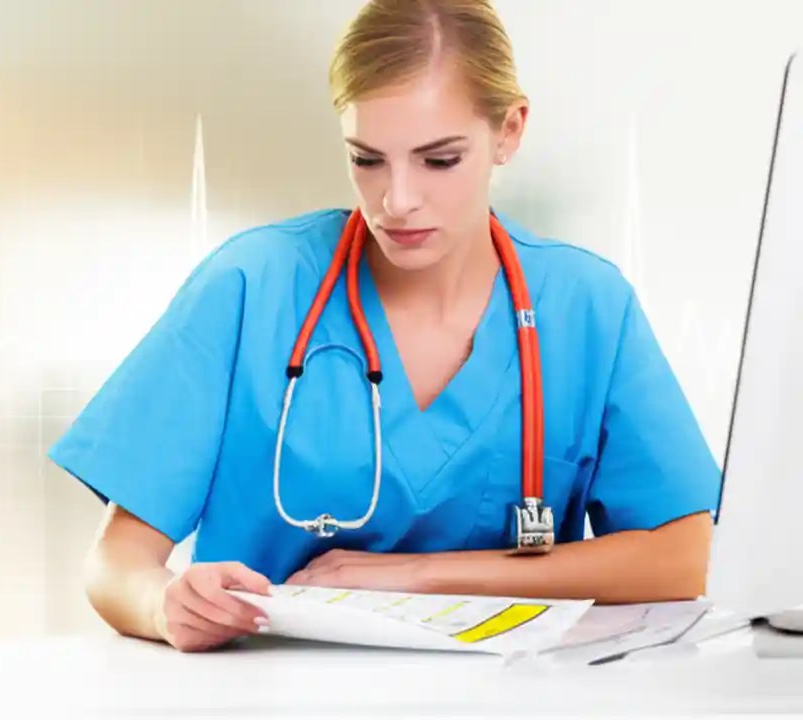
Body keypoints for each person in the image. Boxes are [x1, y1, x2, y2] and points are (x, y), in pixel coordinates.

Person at [47, 0, 721, 653]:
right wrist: (165, 607)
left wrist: (416, 576)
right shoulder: (253, 285)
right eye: (367, 160)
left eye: (439, 160)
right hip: (265, 701)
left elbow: (679, 559)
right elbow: (116, 564)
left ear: (509, 131)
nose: (396, 201)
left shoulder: (585, 307)